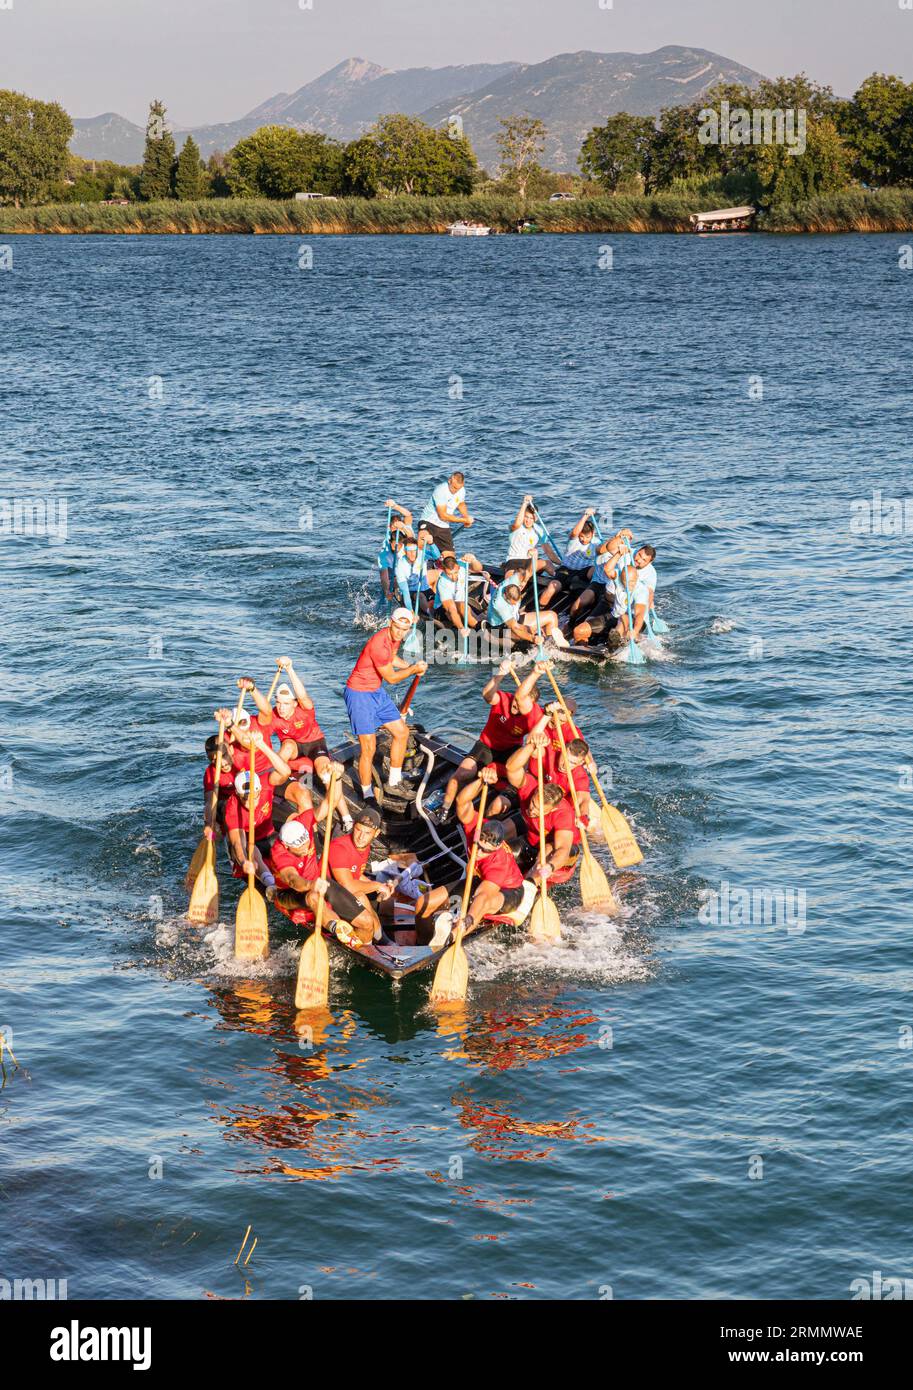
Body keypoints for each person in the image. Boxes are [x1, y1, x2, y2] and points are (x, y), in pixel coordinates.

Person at [433, 660, 545, 821]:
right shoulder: (503, 699)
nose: (515, 704)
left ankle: (509, 804)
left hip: (510, 751)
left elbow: (538, 738)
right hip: (486, 746)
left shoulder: (533, 716)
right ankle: (445, 807)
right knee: (462, 773)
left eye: (521, 704)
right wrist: (499, 673)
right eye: (516, 699)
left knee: (522, 772)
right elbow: (487, 694)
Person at [344, 609, 427, 801]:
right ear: (390, 623)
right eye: (397, 628)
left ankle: (394, 782)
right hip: (359, 695)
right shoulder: (379, 644)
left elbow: (392, 659)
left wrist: (409, 666)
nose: (399, 633)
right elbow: (390, 678)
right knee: (369, 748)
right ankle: (367, 794)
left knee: (402, 732)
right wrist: (413, 669)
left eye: (404, 629)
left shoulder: (395, 639)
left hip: (376, 692)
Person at [504, 731, 580, 878]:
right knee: (502, 854)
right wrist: (531, 745)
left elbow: (563, 849)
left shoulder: (563, 813)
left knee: (544, 853)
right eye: (533, 803)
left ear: (552, 809)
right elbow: (511, 768)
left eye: (539, 810)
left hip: (559, 853)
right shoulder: (530, 787)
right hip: (531, 840)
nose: (531, 810)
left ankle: (532, 884)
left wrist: (550, 867)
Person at [506, 496, 562, 607]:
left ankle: (560, 582)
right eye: (526, 517)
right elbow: (517, 523)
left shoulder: (539, 530)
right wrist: (524, 504)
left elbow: (548, 551)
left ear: (535, 518)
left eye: (531, 518)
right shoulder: (516, 525)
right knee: (510, 585)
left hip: (530, 562)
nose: (528, 520)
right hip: (514, 561)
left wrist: (563, 563)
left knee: (547, 563)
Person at [483, 578, 568, 648]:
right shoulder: (501, 606)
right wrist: (532, 638)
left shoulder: (513, 582)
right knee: (530, 630)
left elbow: (526, 570)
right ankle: (542, 643)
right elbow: (515, 627)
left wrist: (533, 558)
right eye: (513, 603)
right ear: (505, 597)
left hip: (517, 619)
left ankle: (549, 644)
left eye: (517, 602)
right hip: (502, 628)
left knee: (552, 616)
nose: (515, 604)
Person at [419, 472, 473, 553]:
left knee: (450, 557)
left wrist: (466, 517)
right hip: (428, 521)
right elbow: (443, 516)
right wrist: (464, 520)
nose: (456, 491)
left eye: (458, 488)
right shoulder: (441, 490)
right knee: (422, 539)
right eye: (454, 487)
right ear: (449, 481)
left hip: (443, 525)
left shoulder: (461, 490)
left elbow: (461, 504)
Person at [394, 536, 433, 616]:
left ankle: (435, 617)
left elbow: (437, 556)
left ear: (417, 550)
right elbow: (405, 592)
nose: (412, 554)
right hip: (410, 592)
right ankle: (430, 616)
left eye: (414, 551)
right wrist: (411, 610)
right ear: (405, 551)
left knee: (437, 604)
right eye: (409, 551)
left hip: (425, 589)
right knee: (420, 596)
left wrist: (431, 543)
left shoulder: (421, 554)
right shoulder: (400, 566)